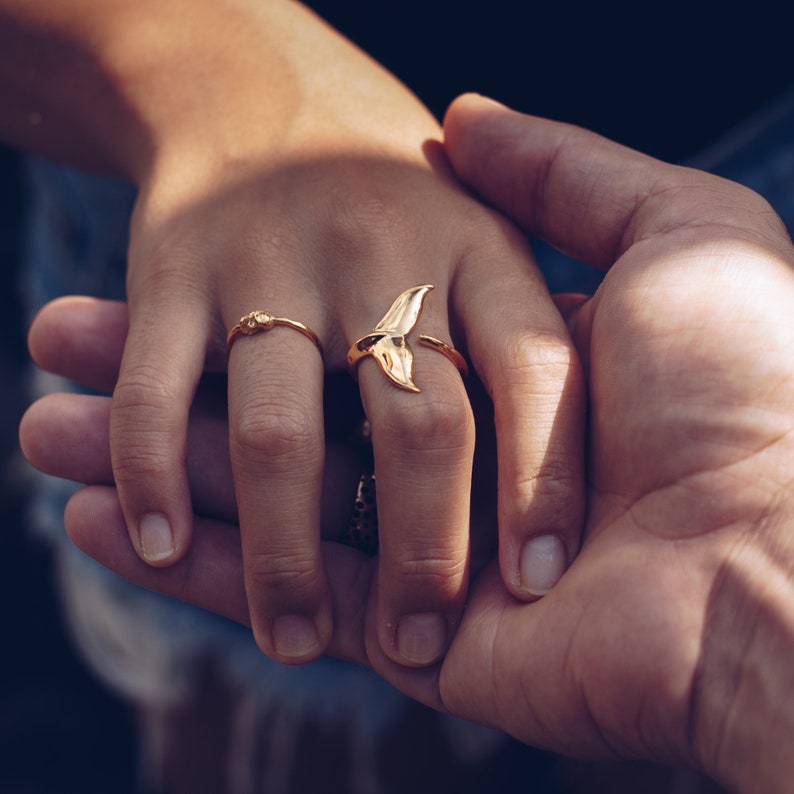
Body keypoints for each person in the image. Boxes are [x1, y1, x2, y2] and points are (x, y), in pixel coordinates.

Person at [21, 94, 794, 794]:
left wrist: (748, 608)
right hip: (223, 252)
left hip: (735, 162)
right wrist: (224, 95)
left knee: (636, 739)